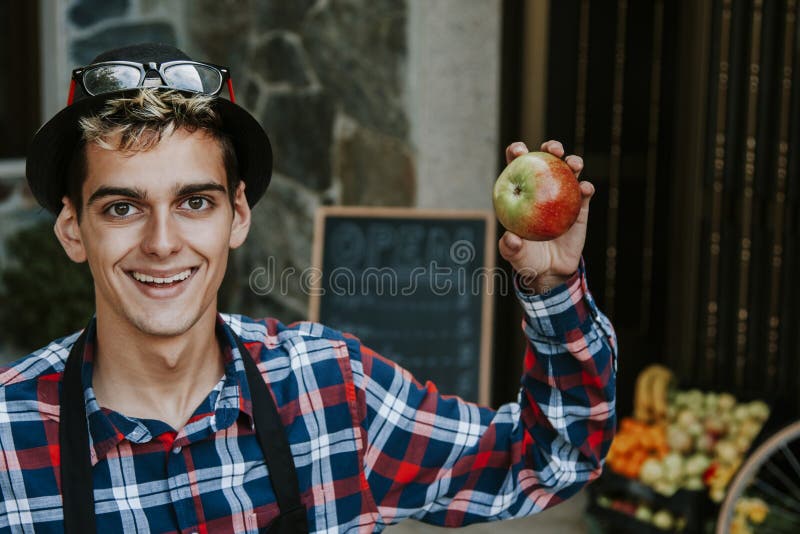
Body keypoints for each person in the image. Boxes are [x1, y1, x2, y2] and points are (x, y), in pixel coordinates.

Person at [2, 43, 617, 533]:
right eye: (122, 208)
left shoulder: (330, 389)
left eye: (195, 202)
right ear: (72, 229)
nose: (162, 243)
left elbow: (555, 455)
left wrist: (552, 287)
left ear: (238, 216)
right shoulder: (9, 436)